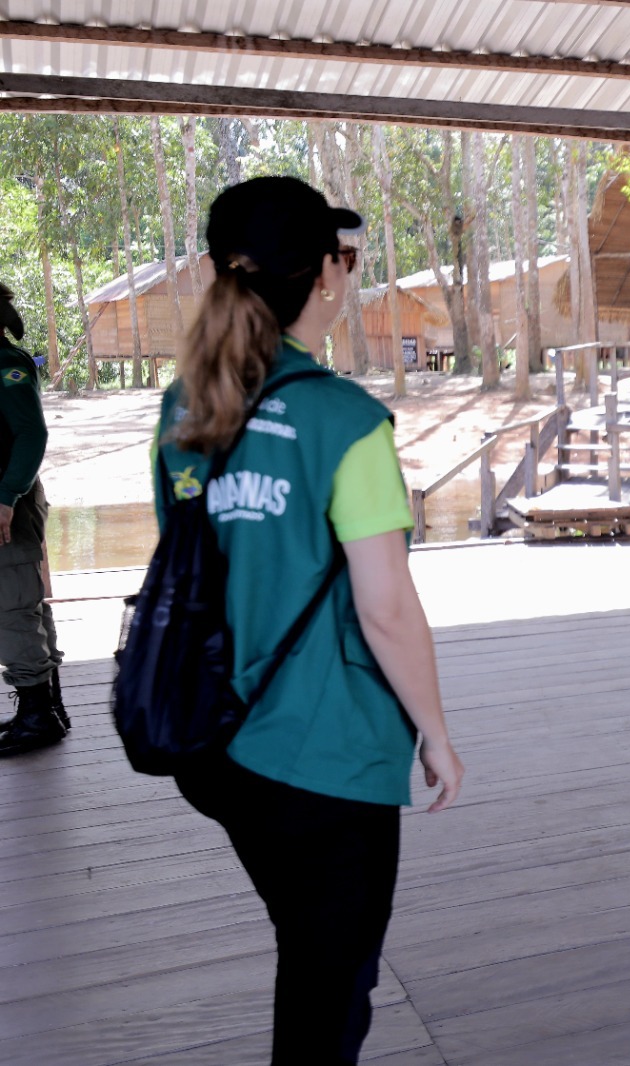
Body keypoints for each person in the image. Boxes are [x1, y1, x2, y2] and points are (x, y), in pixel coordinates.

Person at [156, 176, 465, 1064]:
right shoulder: (343, 420)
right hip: (324, 758)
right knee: (332, 990)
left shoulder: (184, 410)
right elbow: (386, 605)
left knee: (312, 948)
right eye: (349, 258)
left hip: (211, 744)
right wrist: (436, 734)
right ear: (328, 273)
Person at [0, 281, 69, 757]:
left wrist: (6, 497)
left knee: (12, 604)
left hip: (10, 502)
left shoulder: (7, 366)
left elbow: (31, 434)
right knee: (24, 603)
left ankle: (38, 714)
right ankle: (46, 706)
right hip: (9, 497)